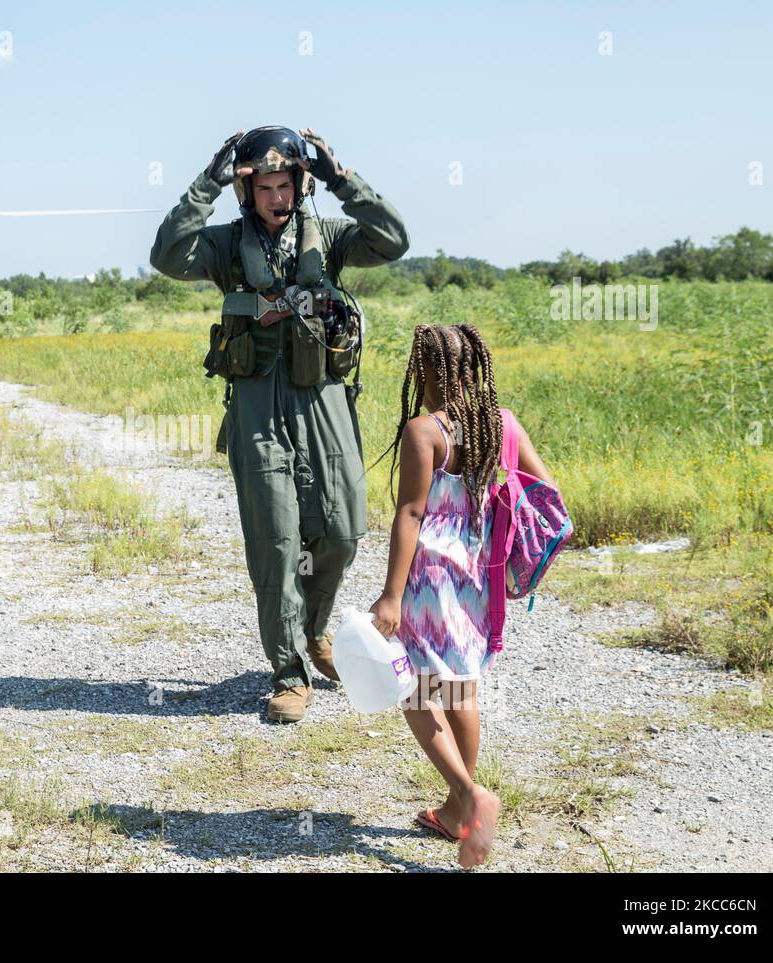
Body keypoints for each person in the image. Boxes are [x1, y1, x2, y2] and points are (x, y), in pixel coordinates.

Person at [150, 126, 409, 722]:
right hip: (257, 404)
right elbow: (166, 255)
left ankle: (317, 629)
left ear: (301, 184)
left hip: (324, 398)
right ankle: (289, 671)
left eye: (285, 183)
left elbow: (393, 238)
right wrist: (205, 185)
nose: (275, 196)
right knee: (277, 541)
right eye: (263, 186)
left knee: (343, 528)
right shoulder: (223, 245)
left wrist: (344, 179)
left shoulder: (333, 237)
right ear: (247, 192)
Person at [367, 322, 553, 867]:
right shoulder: (502, 425)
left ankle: (471, 796)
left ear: (424, 371)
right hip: (479, 572)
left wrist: (390, 596)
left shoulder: (424, 431)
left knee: (413, 690)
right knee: (461, 694)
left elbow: (411, 512)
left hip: (429, 576)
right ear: (473, 370)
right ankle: (454, 812)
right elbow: (542, 489)